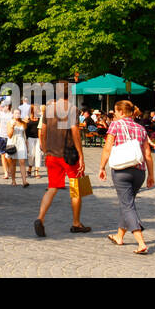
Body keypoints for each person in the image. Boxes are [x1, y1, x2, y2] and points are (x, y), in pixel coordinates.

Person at [98, 100, 155, 254]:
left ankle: (141, 242)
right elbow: (148, 155)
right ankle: (119, 236)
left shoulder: (115, 125)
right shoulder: (141, 128)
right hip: (139, 172)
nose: (114, 115)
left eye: (115, 112)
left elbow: (107, 148)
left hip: (121, 171)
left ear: (121, 112)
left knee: (127, 205)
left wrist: (102, 167)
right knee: (127, 202)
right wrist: (151, 175)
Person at [35, 90, 91, 237]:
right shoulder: (72, 109)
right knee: (76, 188)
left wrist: (46, 149)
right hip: (69, 155)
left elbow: (42, 132)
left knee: (52, 188)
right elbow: (75, 131)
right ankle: (76, 223)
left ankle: (40, 218)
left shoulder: (48, 110)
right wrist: (81, 154)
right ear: (70, 94)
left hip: (52, 155)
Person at [0, 101, 15, 181]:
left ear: (8, 106)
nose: (4, 107)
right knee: (3, 155)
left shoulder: (12, 115)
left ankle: (10, 169)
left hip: (10, 137)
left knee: (9, 155)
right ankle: (5, 172)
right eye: (3, 106)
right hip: (1, 136)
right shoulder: (0, 115)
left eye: (5, 106)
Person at [10, 114, 29, 187]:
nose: (17, 115)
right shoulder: (10, 122)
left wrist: (27, 144)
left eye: (18, 113)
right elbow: (9, 135)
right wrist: (12, 127)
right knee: (13, 162)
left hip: (21, 142)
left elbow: (25, 134)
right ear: (13, 114)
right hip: (13, 142)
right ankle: (13, 180)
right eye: (15, 113)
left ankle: (24, 181)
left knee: (22, 161)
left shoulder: (23, 123)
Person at [25, 107, 41, 180]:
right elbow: (25, 130)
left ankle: (36, 170)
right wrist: (26, 140)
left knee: (38, 154)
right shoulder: (28, 119)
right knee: (31, 154)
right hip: (30, 138)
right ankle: (30, 168)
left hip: (38, 138)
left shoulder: (40, 118)